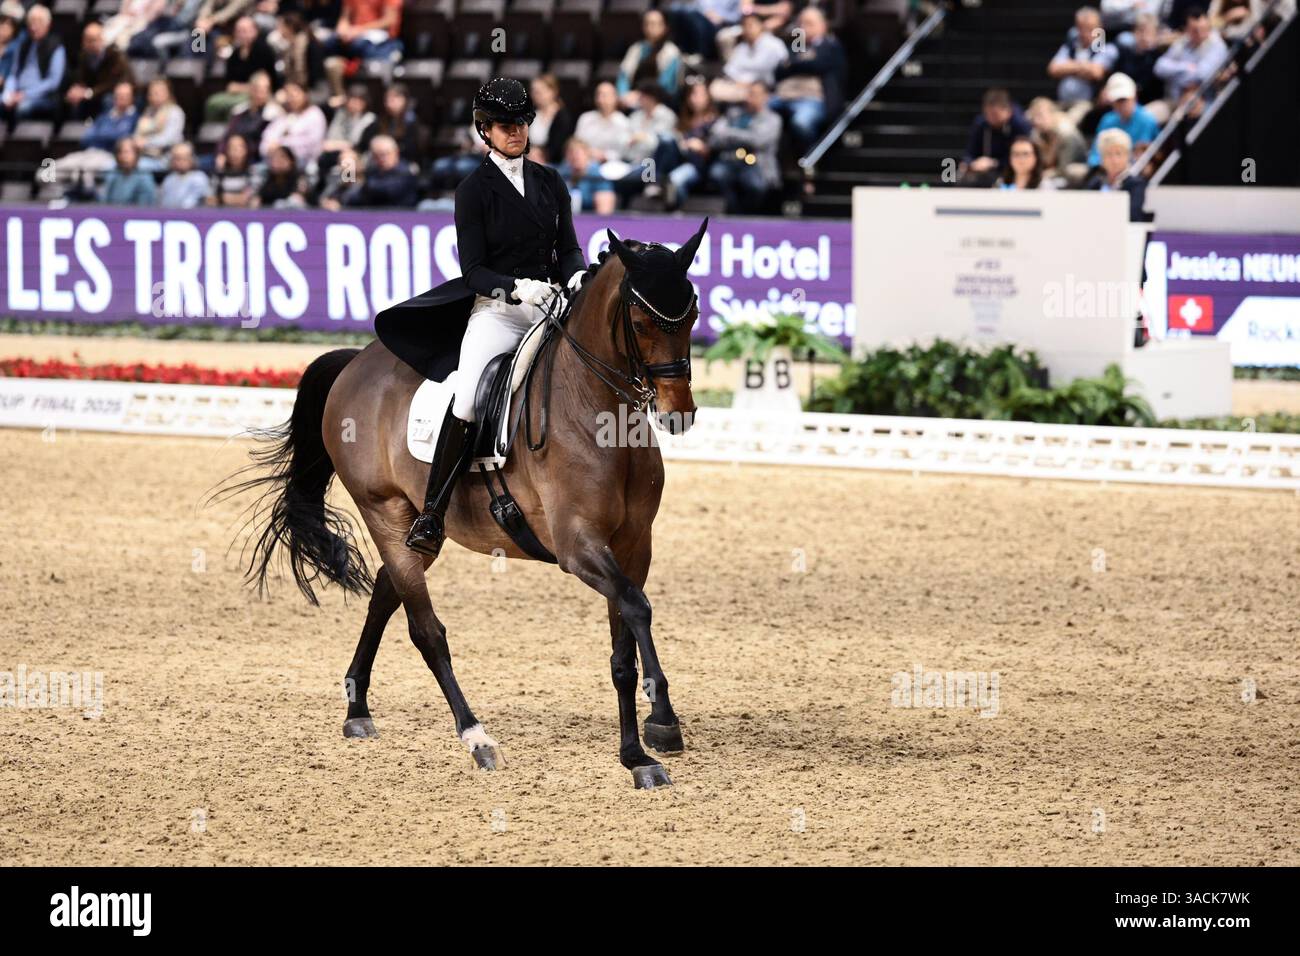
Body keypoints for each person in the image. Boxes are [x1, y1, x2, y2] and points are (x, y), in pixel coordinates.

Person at [372, 78, 587, 558]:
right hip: (499, 312)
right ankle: (433, 512)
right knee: (467, 397)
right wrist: (515, 287)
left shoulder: (551, 182)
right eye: (506, 126)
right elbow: (473, 271)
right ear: (484, 130)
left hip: (550, 307)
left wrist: (574, 276)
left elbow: (568, 247)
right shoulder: (473, 190)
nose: (517, 133)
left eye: (523, 124)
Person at [770, 6, 846, 155]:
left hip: (813, 99)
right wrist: (798, 62)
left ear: (823, 25)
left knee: (801, 122)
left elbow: (818, 64)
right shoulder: (797, 45)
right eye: (801, 24)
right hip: (785, 96)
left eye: (809, 23)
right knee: (760, 112)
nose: (804, 28)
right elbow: (780, 69)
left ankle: (808, 160)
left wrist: (795, 65)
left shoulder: (830, 45)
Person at [707, 80, 781, 214]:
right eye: (750, 93)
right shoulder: (734, 114)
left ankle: (749, 216)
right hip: (730, 161)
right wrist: (743, 136)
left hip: (757, 164)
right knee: (717, 174)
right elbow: (715, 136)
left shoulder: (772, 119)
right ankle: (734, 215)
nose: (750, 97)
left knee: (755, 185)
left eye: (755, 94)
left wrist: (731, 134)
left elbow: (758, 141)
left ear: (766, 96)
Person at [54, 80, 139, 193]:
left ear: (132, 98)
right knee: (46, 172)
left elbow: (121, 139)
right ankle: (56, 200)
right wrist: (109, 134)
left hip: (109, 156)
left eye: (125, 95)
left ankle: (83, 204)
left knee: (83, 173)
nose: (121, 98)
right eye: (119, 95)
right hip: (89, 152)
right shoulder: (104, 116)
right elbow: (86, 138)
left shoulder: (134, 117)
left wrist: (102, 134)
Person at [647, 78, 718, 208]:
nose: (695, 98)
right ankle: (654, 182)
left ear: (708, 97)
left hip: (698, 166)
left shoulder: (715, 122)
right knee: (666, 138)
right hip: (678, 160)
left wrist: (702, 147)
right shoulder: (684, 120)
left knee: (675, 179)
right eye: (692, 94)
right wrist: (682, 142)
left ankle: (677, 211)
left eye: (700, 94)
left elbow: (715, 148)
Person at [1, 5, 65, 126]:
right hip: (17, 93)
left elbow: (53, 82)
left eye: (39, 22)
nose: (34, 27)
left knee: (23, 107)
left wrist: (25, 95)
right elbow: (13, 75)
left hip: (43, 97)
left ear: (48, 24)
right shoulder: (23, 45)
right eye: (31, 22)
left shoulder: (56, 46)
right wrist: (8, 93)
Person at [204, 16, 277, 122]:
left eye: (245, 31)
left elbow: (268, 81)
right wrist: (238, 87)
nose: (241, 34)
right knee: (212, 103)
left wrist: (244, 88)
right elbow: (229, 83)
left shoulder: (264, 50)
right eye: (238, 31)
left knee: (234, 106)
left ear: (255, 31)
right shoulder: (235, 53)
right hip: (235, 94)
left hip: (257, 94)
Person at [1153, 7, 1229, 108]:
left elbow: (1202, 75)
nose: (1200, 34)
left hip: (1203, 103)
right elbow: (1159, 67)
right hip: (1172, 100)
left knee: (1191, 105)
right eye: (1195, 30)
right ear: (1186, 29)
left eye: (1203, 29)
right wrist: (1186, 67)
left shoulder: (1217, 45)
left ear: (1208, 25)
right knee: (1148, 114)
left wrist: (1173, 76)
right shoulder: (1182, 42)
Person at [710, 11, 788, 105]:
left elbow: (773, 73)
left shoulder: (774, 44)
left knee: (754, 92)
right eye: (744, 26)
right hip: (739, 86)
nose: (747, 29)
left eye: (751, 25)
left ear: (761, 26)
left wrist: (750, 84)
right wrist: (739, 82)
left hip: (765, 88)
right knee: (714, 87)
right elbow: (730, 70)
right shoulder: (742, 47)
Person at [961, 87, 1033, 185]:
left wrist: (994, 163)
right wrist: (970, 163)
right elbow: (970, 151)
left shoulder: (1020, 125)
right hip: (986, 170)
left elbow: (1022, 156)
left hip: (1012, 169)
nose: (991, 119)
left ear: (1008, 111)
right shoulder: (981, 123)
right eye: (988, 114)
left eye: (995, 115)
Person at [1087, 72, 1160, 167]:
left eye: (1124, 99)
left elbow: (1141, 155)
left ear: (1134, 96)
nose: (1122, 104)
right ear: (1112, 102)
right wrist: (1104, 164)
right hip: (1106, 171)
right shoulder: (1107, 120)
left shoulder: (1147, 120)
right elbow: (1095, 154)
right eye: (1118, 100)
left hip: (1133, 171)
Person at [616, 10, 684, 110]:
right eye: (647, 23)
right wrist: (623, 95)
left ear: (664, 27)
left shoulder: (671, 52)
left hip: (661, 102)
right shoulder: (636, 49)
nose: (650, 27)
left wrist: (640, 95)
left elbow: (665, 84)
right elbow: (624, 76)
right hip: (633, 100)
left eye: (655, 23)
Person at [63, 22, 131, 121]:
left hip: (111, 92)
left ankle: (103, 129)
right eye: (86, 40)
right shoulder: (83, 56)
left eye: (92, 40)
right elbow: (81, 78)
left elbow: (113, 83)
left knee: (107, 100)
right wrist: (78, 89)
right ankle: (75, 132)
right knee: (71, 99)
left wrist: (90, 92)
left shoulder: (114, 55)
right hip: (92, 92)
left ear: (101, 39)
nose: (89, 44)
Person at [1086, 126, 1150, 221]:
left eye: (1118, 154)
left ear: (1127, 156)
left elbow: (1133, 215)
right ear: (1102, 158)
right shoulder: (1095, 183)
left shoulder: (1136, 184)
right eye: (1108, 154)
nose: (1114, 160)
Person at [337, 133, 418, 208]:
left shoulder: (407, 171)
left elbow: (388, 191)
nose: (382, 158)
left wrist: (362, 183)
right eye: (377, 155)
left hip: (400, 218)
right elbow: (353, 197)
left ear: (396, 152)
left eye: (385, 154)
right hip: (371, 218)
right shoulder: (372, 171)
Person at [259, 80, 326, 167]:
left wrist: (282, 144)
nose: (292, 98)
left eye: (295, 94)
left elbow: (313, 143)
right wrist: (270, 148)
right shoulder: (283, 116)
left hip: (307, 165)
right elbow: (266, 140)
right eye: (289, 95)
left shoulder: (314, 114)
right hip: (277, 166)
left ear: (305, 94)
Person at [132, 76, 186, 172]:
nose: (154, 95)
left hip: (165, 158)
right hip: (143, 155)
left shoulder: (175, 112)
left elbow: (169, 139)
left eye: (158, 92)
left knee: (136, 166)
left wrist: (146, 143)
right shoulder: (148, 111)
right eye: (151, 92)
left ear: (168, 93)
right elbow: (137, 134)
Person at [573, 81, 631, 163]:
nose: (600, 99)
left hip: (610, 165)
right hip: (584, 162)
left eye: (604, 95)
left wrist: (604, 156)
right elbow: (576, 143)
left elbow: (623, 151)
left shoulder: (623, 122)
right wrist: (587, 152)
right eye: (598, 95)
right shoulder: (585, 118)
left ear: (615, 98)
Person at [556, 136, 616, 214]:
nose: (574, 156)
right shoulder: (562, 175)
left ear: (587, 155)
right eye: (570, 153)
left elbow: (604, 213)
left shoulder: (597, 176)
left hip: (590, 221)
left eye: (578, 153)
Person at [666, 0, 742, 60]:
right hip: (702, 18)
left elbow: (737, 16)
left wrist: (721, 17)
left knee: (694, 16)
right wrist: (705, 13)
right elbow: (697, 6)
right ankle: (682, 51)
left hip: (721, 24)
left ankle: (700, 53)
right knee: (677, 10)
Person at [527, 73, 574, 166]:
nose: (536, 95)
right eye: (534, 91)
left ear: (553, 92)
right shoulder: (530, 114)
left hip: (554, 163)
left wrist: (541, 154)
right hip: (529, 158)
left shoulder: (562, 117)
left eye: (540, 92)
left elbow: (559, 147)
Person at [101, 137, 157, 205]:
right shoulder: (112, 175)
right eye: (120, 152)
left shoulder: (144, 177)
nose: (123, 156)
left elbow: (145, 207)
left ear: (136, 154)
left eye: (127, 152)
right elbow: (105, 202)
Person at [158, 141, 212, 207]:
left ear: (192, 158)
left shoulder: (199, 177)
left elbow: (208, 201)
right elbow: (163, 204)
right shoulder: (168, 179)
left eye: (185, 158)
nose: (181, 161)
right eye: (177, 158)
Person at [208, 131, 255, 205]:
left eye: (239, 147)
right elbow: (210, 200)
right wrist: (219, 171)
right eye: (231, 147)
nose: (235, 152)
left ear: (246, 150)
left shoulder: (252, 172)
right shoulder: (219, 172)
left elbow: (252, 200)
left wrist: (222, 199)